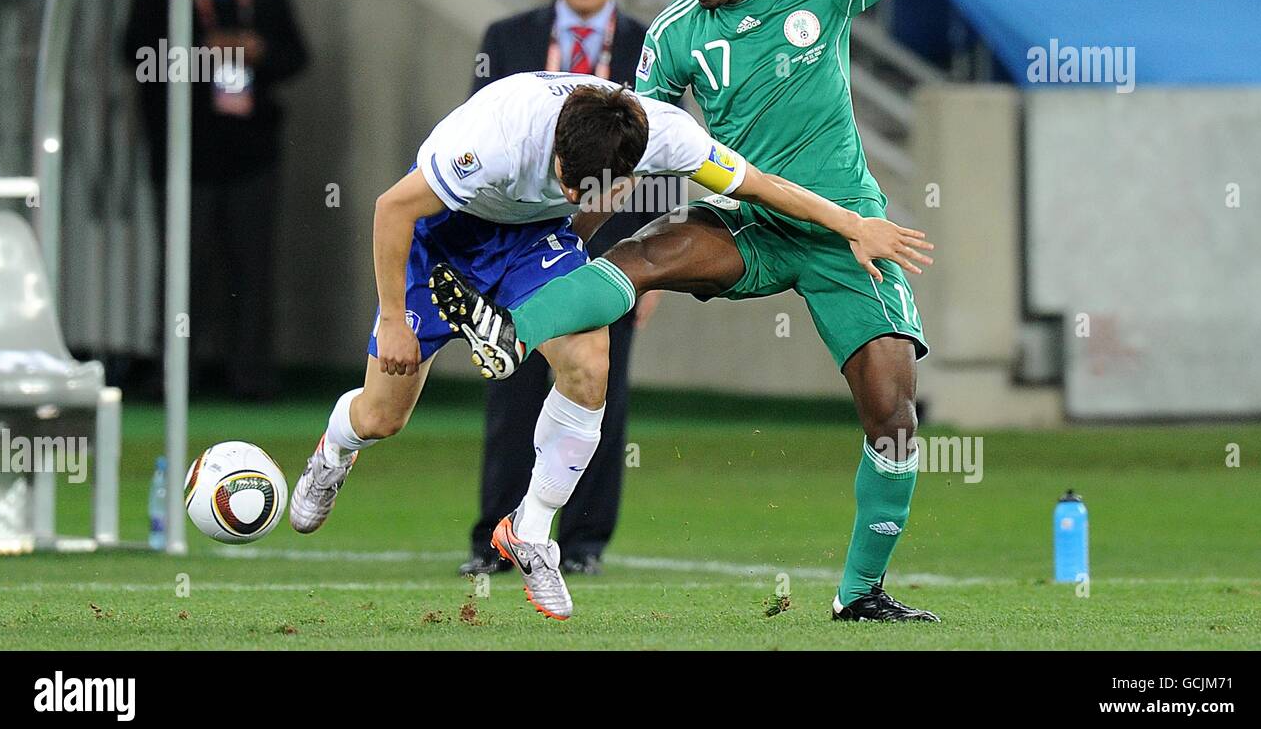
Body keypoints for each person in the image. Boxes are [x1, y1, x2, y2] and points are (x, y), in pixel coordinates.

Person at [434, 0, 1161, 623]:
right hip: (747, 222)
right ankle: (510, 327)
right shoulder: (678, 35)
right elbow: (631, 153)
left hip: (842, 230)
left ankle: (860, 591)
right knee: (644, 254)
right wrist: (562, 240)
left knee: (892, 414)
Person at [288, 72, 930, 621]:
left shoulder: (665, 133)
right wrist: (396, 320)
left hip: (531, 241)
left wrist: (852, 223)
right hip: (441, 234)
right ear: (555, 146)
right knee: (384, 416)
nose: (577, 194)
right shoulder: (495, 138)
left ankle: (532, 527)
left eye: (593, 188)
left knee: (591, 360)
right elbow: (391, 210)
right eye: (569, 179)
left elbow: (758, 185)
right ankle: (337, 448)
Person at [462, 0, 670, 577]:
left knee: (598, 389)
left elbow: (666, 160)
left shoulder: (648, 47)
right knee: (512, 389)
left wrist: (652, 269)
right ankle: (494, 537)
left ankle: (581, 543)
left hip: (613, 257)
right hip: (520, 251)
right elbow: (480, 143)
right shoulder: (507, 37)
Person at [123, 0, 308, 400]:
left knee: (252, 267)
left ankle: (251, 377)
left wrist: (259, 51)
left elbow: (296, 57)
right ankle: (174, 375)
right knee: (182, 267)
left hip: (252, 153)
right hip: (186, 155)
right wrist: (203, 54)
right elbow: (138, 58)